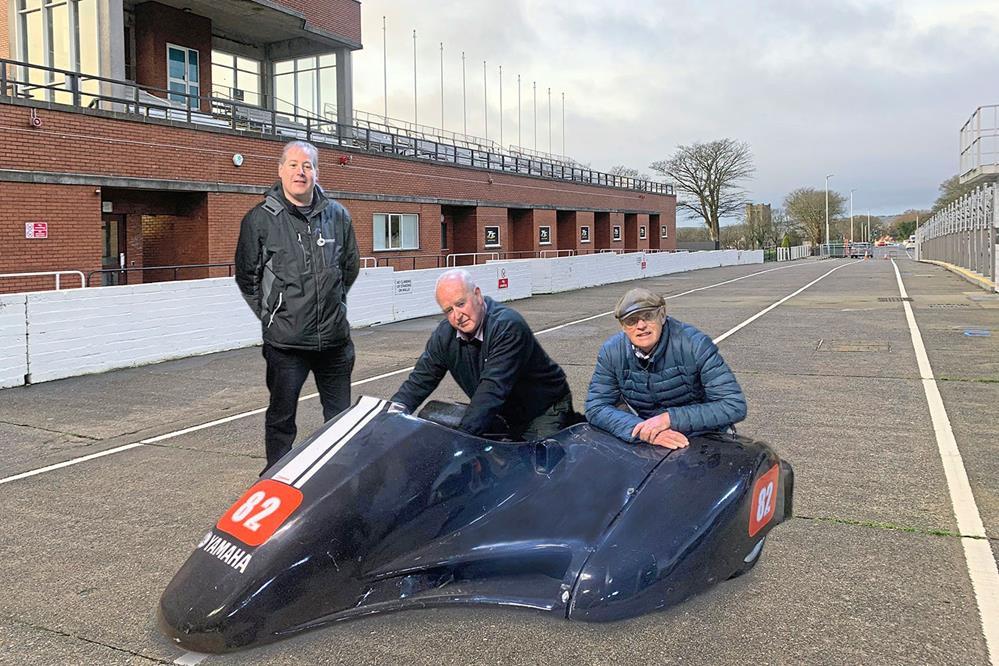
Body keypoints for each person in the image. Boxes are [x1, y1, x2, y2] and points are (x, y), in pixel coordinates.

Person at [235, 140, 360, 469]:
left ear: (316, 173)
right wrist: (274, 316)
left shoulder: (338, 216)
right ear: (280, 170)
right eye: (293, 165)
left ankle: (338, 478)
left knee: (340, 419)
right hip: (286, 344)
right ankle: (276, 477)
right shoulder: (259, 220)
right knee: (281, 419)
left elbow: (349, 268)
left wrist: (330, 305)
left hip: (334, 342)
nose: (300, 172)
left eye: (307, 165)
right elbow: (247, 277)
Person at [391, 269, 574, 439]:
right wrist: (389, 416)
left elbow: (492, 389)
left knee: (534, 461)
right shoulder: (444, 335)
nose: (457, 315)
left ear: (477, 295)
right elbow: (419, 381)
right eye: (449, 310)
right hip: (501, 410)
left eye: (461, 304)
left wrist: (462, 438)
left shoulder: (507, 327)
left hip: (542, 409)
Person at [585, 287, 746, 449]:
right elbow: (596, 406)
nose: (641, 325)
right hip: (651, 439)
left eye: (648, 316)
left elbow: (733, 405)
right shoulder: (612, 352)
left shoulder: (695, 345)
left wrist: (668, 419)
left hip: (702, 437)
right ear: (623, 326)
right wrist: (641, 430)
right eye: (631, 320)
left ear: (662, 315)